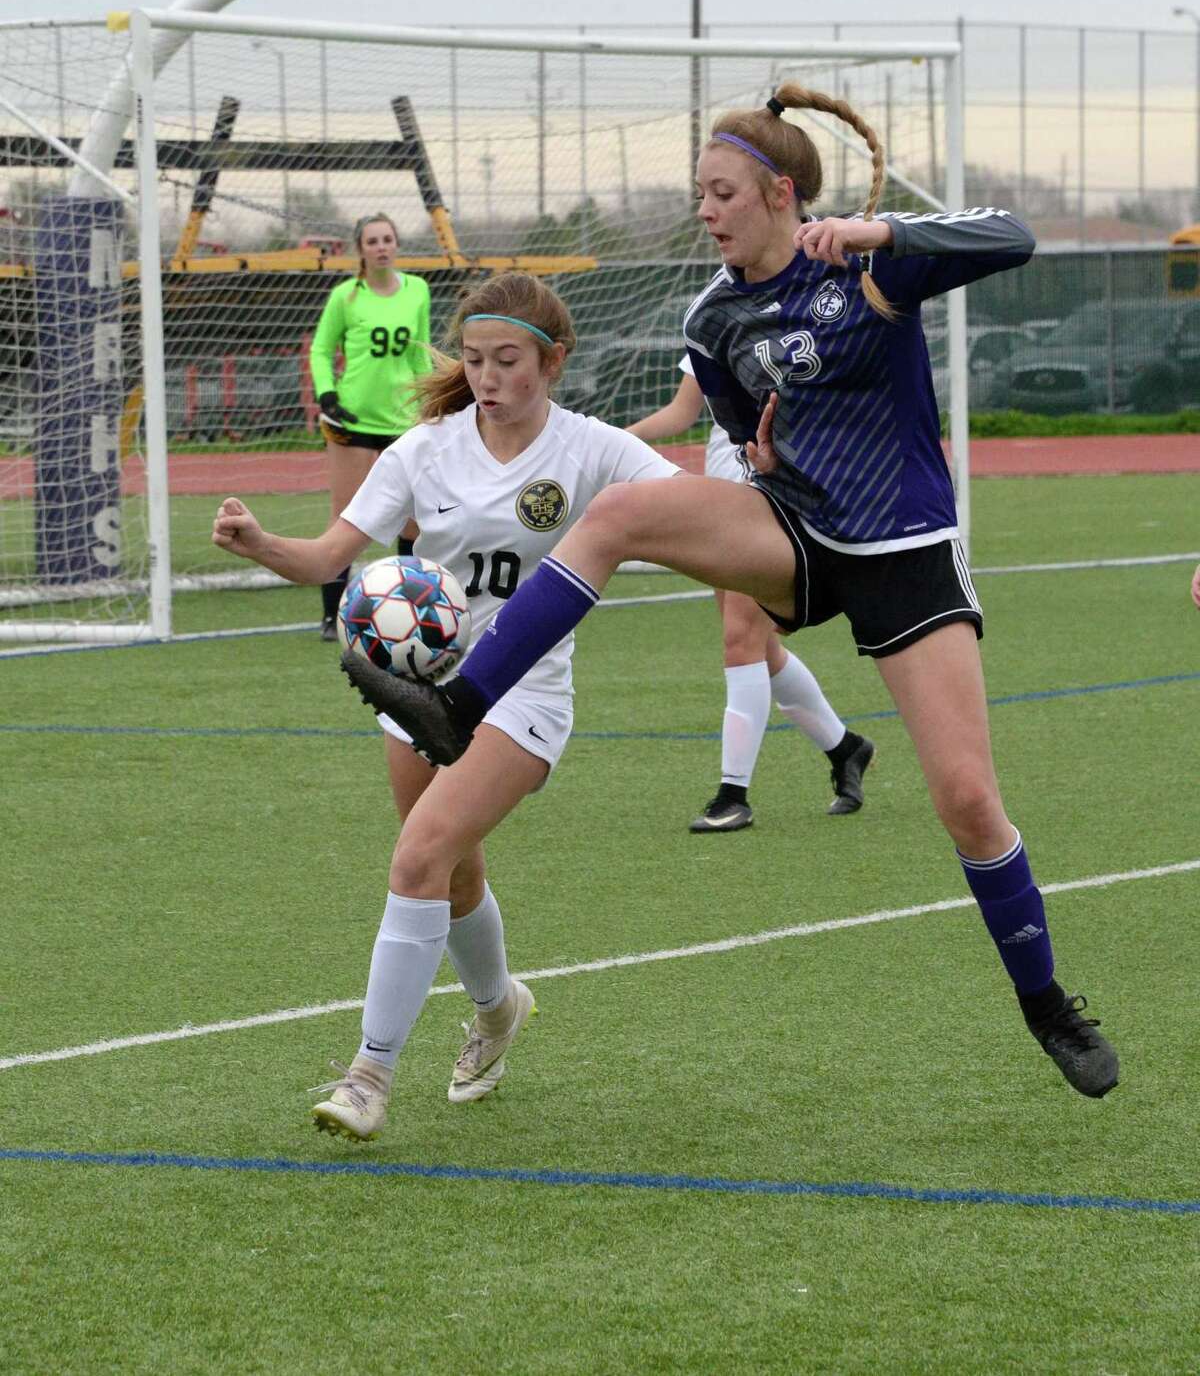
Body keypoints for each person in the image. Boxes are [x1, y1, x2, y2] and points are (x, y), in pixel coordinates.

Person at [343, 83, 1121, 1102]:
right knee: (616, 518)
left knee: (969, 803)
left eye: (720, 193)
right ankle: (461, 704)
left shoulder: (870, 267)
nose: (704, 211)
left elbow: (1010, 237)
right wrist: (760, 444)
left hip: (902, 546)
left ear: (781, 194)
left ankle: (1046, 1001)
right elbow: (748, 417)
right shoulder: (713, 315)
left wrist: (878, 228)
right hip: (793, 531)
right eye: (699, 193)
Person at [213, 272, 680, 1141]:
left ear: (554, 360)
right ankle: (500, 1010)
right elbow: (327, 560)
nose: (489, 376)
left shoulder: (594, 450)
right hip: (415, 693)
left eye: (508, 360)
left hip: (525, 694)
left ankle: (368, 1075)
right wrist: (261, 542)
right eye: (473, 359)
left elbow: (688, 505)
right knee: (454, 872)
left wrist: (758, 484)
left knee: (420, 854)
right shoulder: (423, 450)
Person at [628, 363, 873, 830]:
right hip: (725, 503)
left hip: (774, 496)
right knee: (760, 647)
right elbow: (681, 413)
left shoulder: (799, 328)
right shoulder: (709, 322)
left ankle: (733, 795)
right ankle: (846, 749)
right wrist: (612, 437)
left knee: (741, 638)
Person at [309, 212, 432, 639]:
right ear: (359, 249)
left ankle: (416, 607)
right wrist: (328, 395)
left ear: (397, 245)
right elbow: (322, 351)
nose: (381, 247)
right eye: (372, 241)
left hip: (404, 421)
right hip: (354, 420)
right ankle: (330, 615)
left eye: (387, 239)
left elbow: (419, 354)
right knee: (346, 515)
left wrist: (430, 402)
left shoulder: (418, 291)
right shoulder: (346, 297)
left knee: (415, 520)